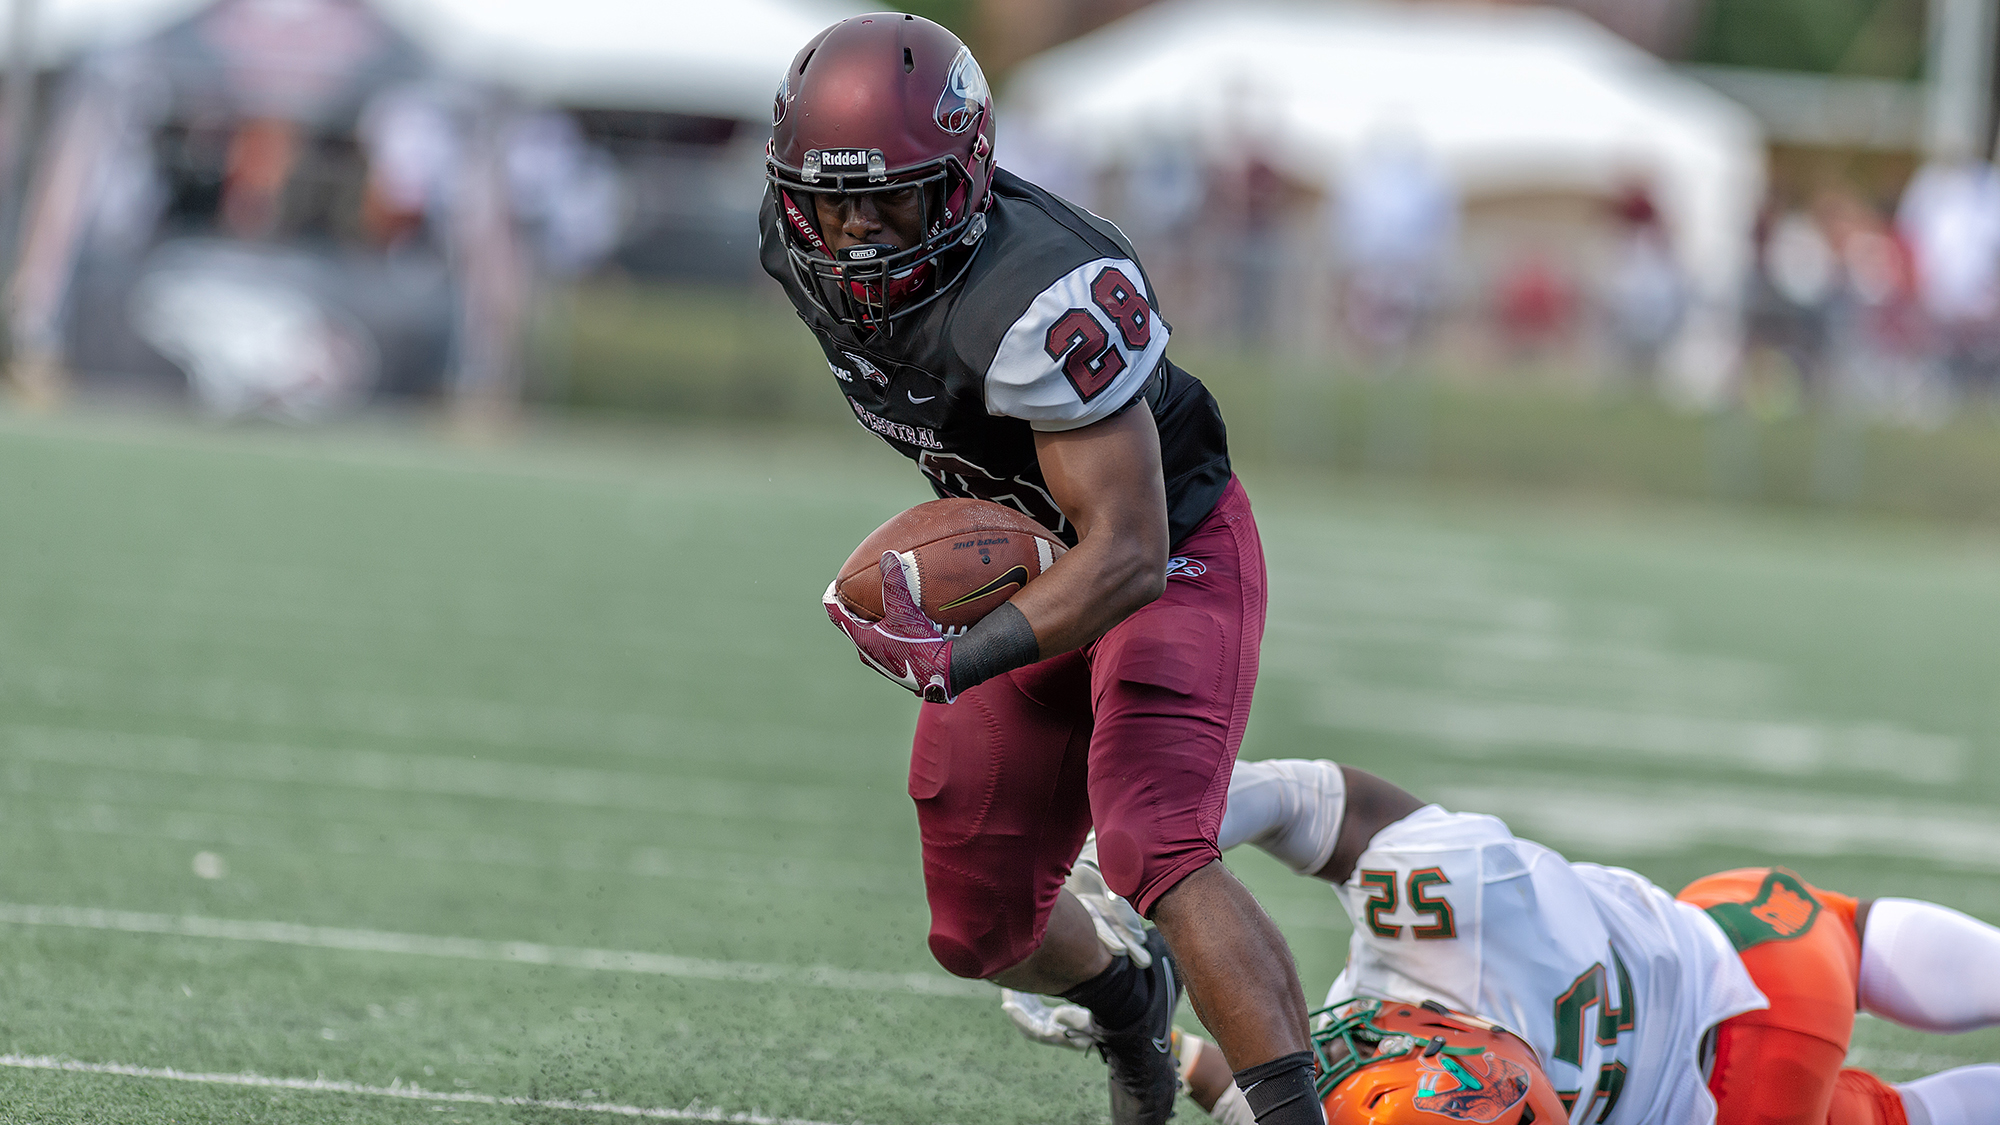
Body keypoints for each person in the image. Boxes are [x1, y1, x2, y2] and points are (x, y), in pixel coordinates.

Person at [762, 14, 1318, 1125]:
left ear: (964, 180)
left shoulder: (1042, 293)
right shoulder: (792, 245)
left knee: (1153, 839)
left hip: (1167, 548)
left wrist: (957, 656)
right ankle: (1127, 997)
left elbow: (1127, 551)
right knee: (976, 931)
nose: (858, 234)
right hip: (1026, 557)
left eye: (892, 200)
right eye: (833, 200)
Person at [1009, 760, 2000, 1124]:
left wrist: (1177, 1051)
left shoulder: (1459, 1044)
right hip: (1752, 952)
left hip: (1733, 1095)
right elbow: (1316, 797)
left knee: (1884, 1116)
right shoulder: (1461, 915)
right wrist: (1160, 841)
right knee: (1837, 928)